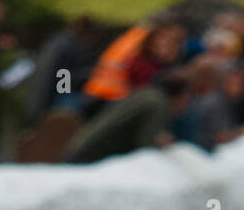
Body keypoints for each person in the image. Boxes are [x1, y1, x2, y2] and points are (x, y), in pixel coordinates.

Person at [61, 68, 191, 164]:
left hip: (80, 148)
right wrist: (162, 144)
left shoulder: (147, 94)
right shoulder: (159, 104)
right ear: (180, 96)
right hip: (91, 158)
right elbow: (145, 148)